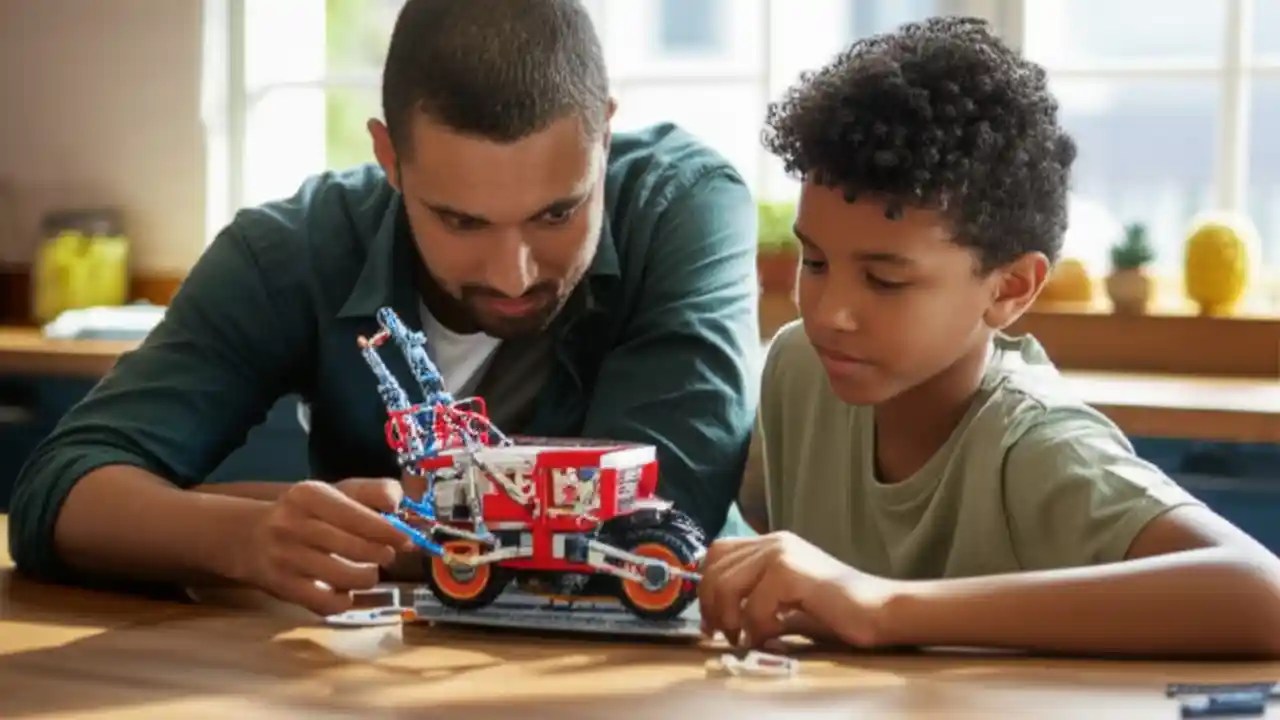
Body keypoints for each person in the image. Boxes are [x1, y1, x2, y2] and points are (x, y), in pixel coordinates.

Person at [9, 0, 760, 616]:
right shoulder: (292, 251)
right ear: (388, 157)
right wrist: (248, 535)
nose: (514, 272)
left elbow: (654, 517)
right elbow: (60, 489)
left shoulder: (684, 208)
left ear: (604, 133)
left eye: (557, 214)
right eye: (461, 221)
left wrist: (369, 527)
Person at [699, 16, 1280, 658]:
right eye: (814, 262)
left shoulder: (1034, 445)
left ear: (1009, 290)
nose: (830, 312)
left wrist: (881, 605)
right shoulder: (799, 367)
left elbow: (1263, 596)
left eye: (885, 281)